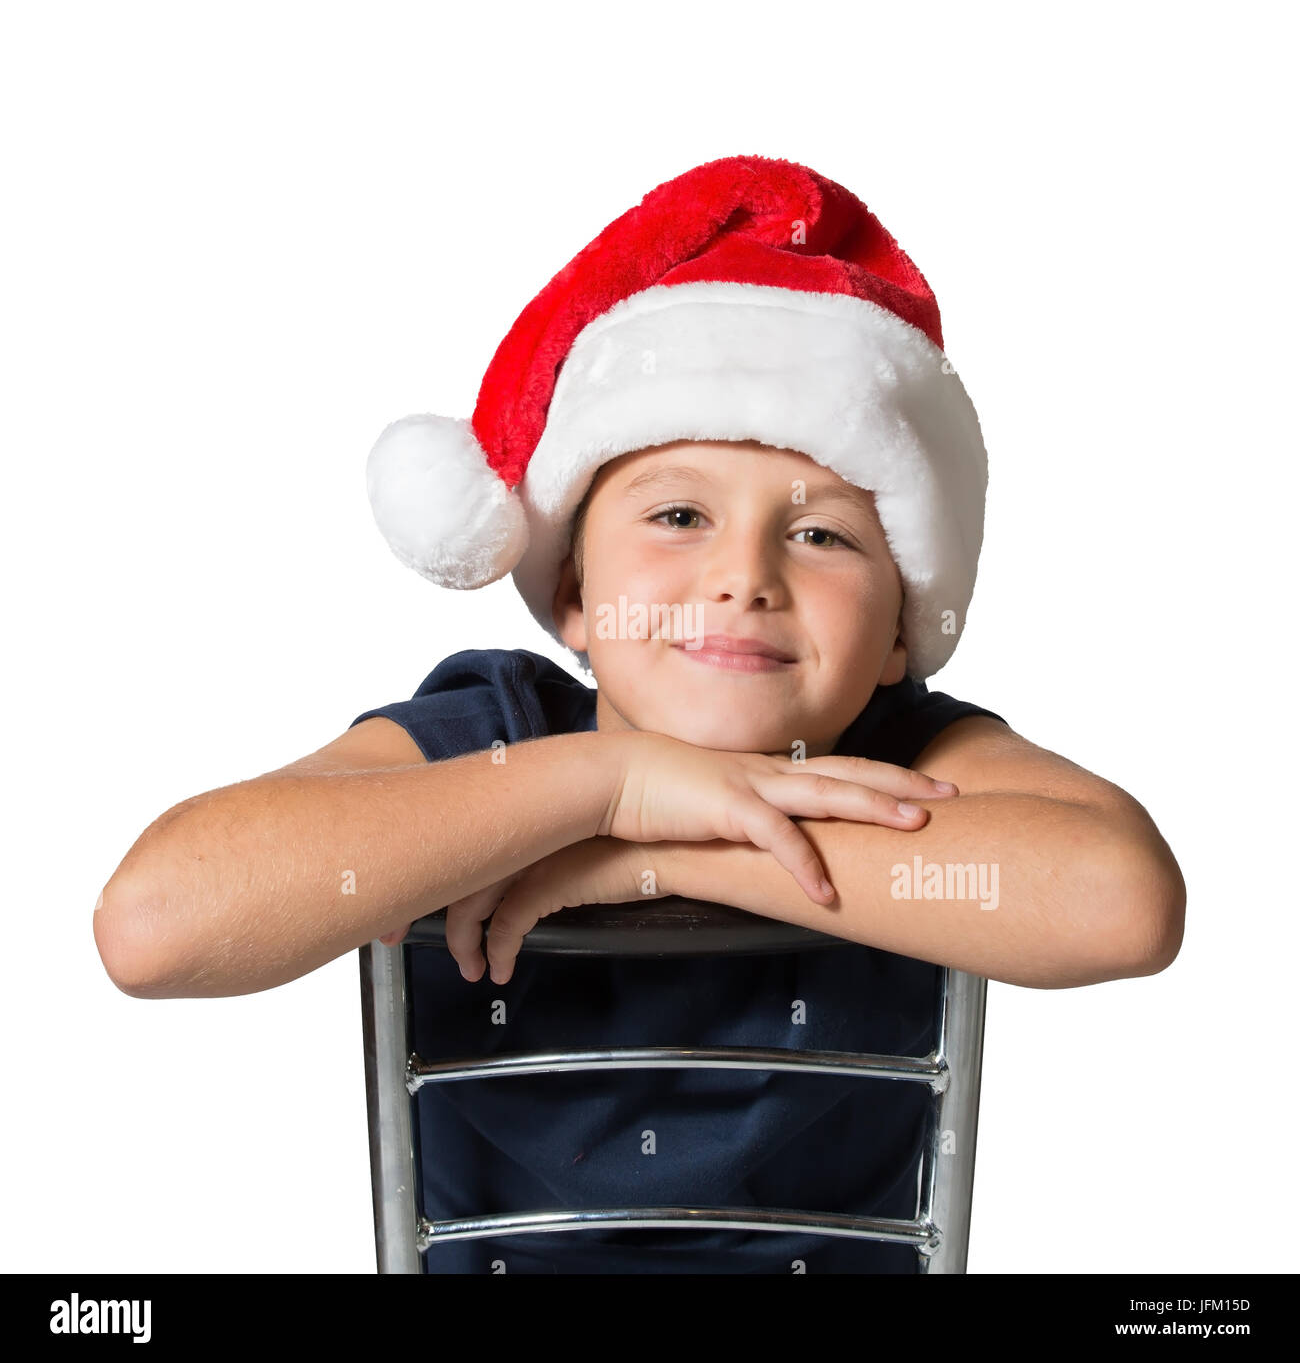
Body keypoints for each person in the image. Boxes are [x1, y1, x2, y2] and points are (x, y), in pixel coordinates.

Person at [94, 154, 1185, 1274]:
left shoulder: (911, 750)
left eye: (821, 535)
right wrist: (604, 787)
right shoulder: (493, 728)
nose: (742, 577)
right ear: (570, 590)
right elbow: (156, 925)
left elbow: (1118, 904)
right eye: (677, 514)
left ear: (900, 628)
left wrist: (665, 851)